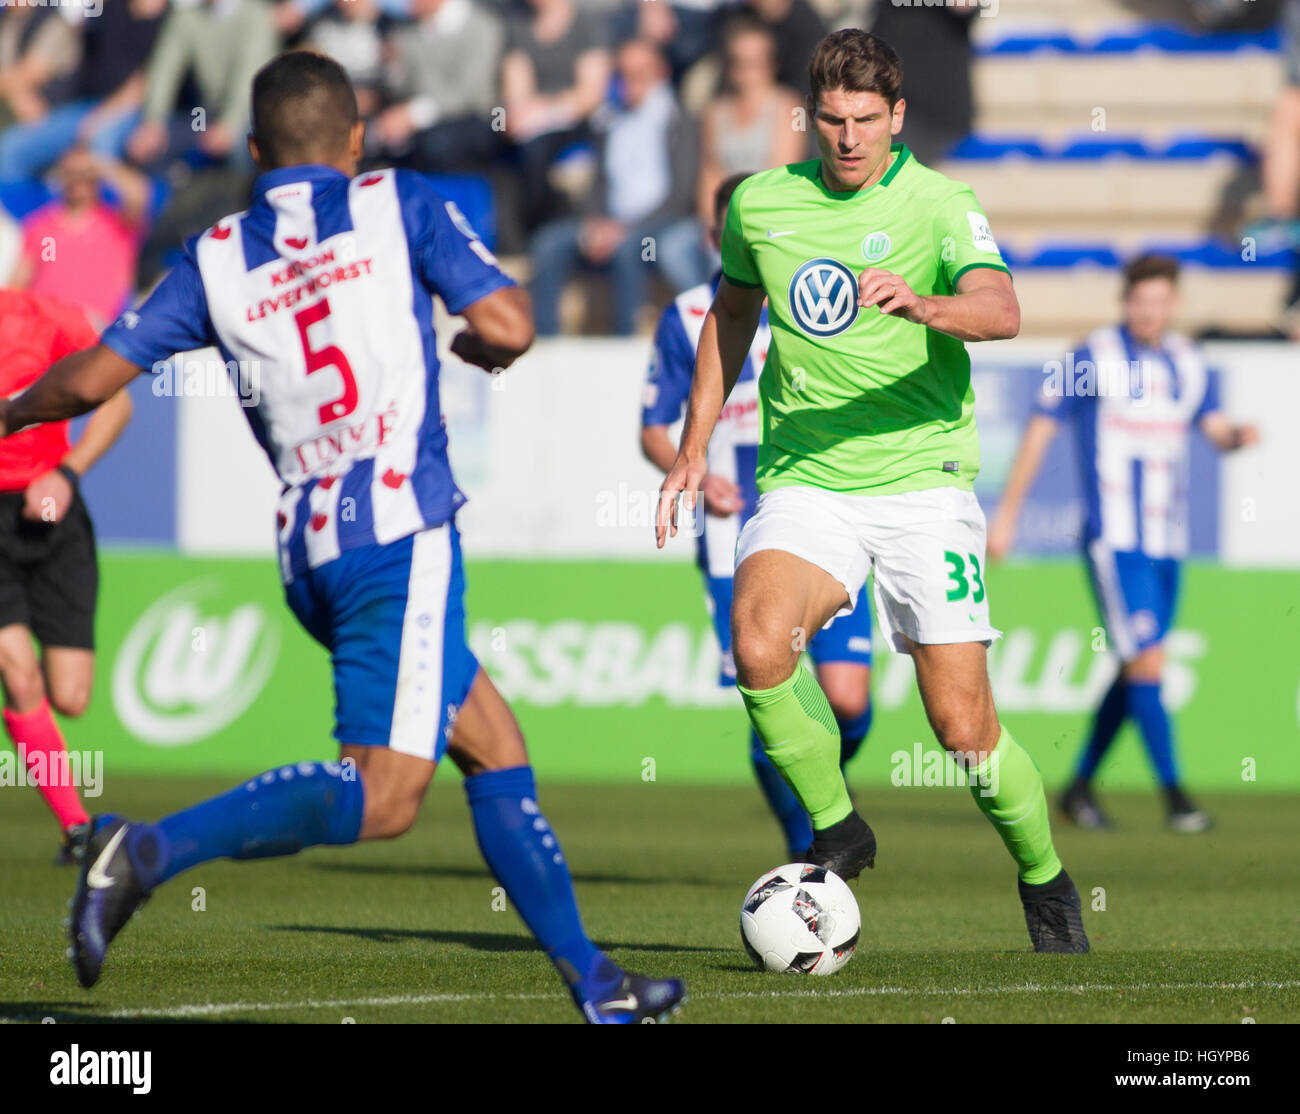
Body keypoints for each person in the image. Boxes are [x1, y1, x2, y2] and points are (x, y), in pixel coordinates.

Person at [2, 51, 685, 1025]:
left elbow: (85, 381)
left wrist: (8, 414)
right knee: (386, 797)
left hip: (310, 548)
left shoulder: (214, 255)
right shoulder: (393, 203)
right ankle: (144, 851)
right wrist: (477, 345)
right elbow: (510, 322)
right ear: (356, 139)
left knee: (493, 745)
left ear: (253, 150)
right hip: (401, 533)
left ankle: (597, 983)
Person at [655, 29, 1089, 953]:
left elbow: (1002, 309)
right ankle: (837, 826)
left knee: (962, 726)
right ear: (808, 117)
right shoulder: (761, 205)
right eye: (832, 121)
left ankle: (1046, 877)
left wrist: (925, 304)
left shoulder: (940, 203)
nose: (848, 139)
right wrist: (693, 444)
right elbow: (731, 315)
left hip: (924, 485)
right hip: (808, 479)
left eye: (865, 121)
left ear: (896, 116)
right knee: (759, 642)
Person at [642, 172, 873, 859]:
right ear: (715, 234)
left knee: (849, 700)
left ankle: (819, 801)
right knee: (768, 676)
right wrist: (695, 469)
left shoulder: (820, 296)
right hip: (732, 535)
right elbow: (652, 426)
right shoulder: (689, 315)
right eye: (730, 230)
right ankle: (812, 843)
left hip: (825, 514)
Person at [988, 253, 1259, 834]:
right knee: (1147, 659)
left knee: (1138, 662)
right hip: (1116, 540)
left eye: (1160, 302)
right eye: (1141, 301)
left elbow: (1213, 428)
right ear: (1126, 302)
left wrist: (1237, 436)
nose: (1149, 312)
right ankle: (1176, 798)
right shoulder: (1095, 356)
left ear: (1174, 304)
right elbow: (1040, 427)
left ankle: (1079, 788)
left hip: (1169, 541)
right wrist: (1006, 515)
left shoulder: (1189, 361)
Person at [0, 287, 133, 864]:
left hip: (53, 510)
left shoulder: (49, 318)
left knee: (71, 696)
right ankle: (77, 829)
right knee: (16, 668)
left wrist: (67, 474)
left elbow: (116, 401)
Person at [529, 39, 703, 335]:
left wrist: (624, 228)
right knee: (549, 243)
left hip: (659, 224)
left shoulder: (679, 120)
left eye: (640, 73)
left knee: (628, 249)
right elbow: (598, 182)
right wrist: (595, 222)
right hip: (610, 222)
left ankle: (624, 341)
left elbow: (680, 194)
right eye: (624, 74)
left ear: (660, 72)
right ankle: (544, 341)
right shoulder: (610, 120)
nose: (630, 82)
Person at [14, 146, 152, 331]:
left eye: (85, 174)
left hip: (93, 325)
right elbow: (18, 284)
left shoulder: (117, 224)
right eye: (70, 173)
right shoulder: (40, 225)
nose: (77, 180)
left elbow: (139, 196)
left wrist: (101, 165)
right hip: (44, 323)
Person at [696, 18, 805, 228]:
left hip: (770, 216)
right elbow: (710, 174)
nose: (747, 71)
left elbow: (782, 174)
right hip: (723, 218)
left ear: (772, 63)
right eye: (739, 61)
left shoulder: (791, 107)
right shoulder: (714, 112)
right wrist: (712, 223)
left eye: (756, 61)